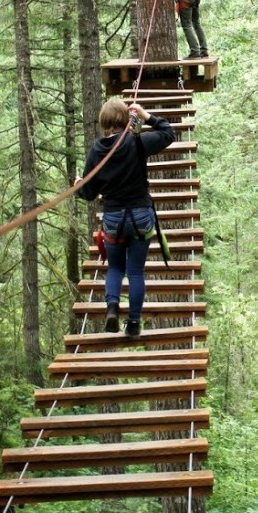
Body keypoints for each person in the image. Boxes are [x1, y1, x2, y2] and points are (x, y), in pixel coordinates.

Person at [76, 99, 176, 337]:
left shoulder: (97, 151)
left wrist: (79, 185)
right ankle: (133, 324)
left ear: (103, 123)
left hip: (113, 219)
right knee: (135, 272)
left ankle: (112, 308)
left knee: (115, 269)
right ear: (126, 120)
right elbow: (168, 133)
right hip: (141, 216)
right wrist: (145, 116)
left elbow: (89, 194)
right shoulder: (138, 142)